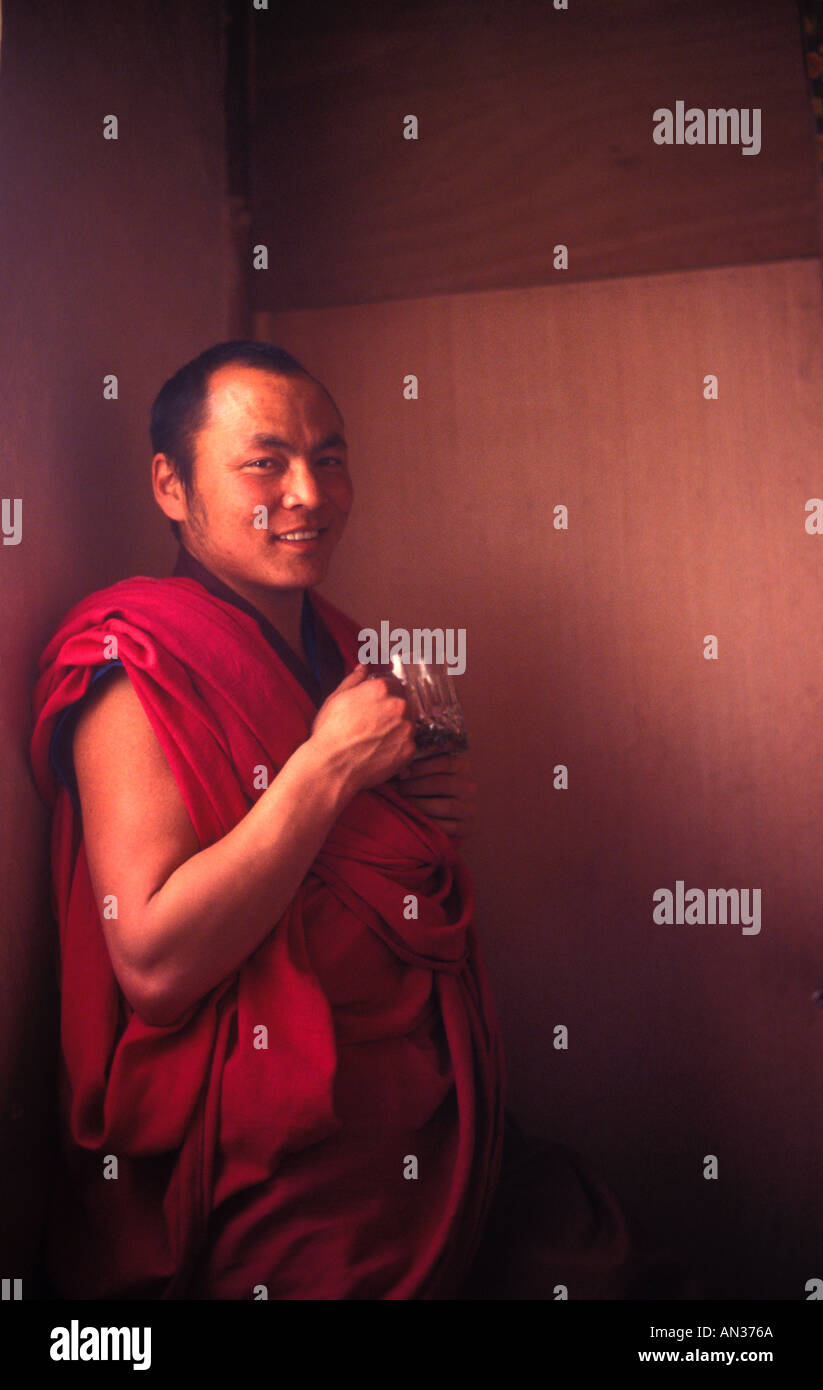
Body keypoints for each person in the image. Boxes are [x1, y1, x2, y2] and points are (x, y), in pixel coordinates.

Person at [30, 341, 688, 1300]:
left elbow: (353, 866)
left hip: (420, 1103)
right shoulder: (137, 661)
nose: (309, 493)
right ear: (171, 485)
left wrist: (417, 820)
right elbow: (156, 965)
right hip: (283, 1145)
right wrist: (330, 769)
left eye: (328, 459)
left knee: (617, 1268)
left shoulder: (336, 640)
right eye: (265, 463)